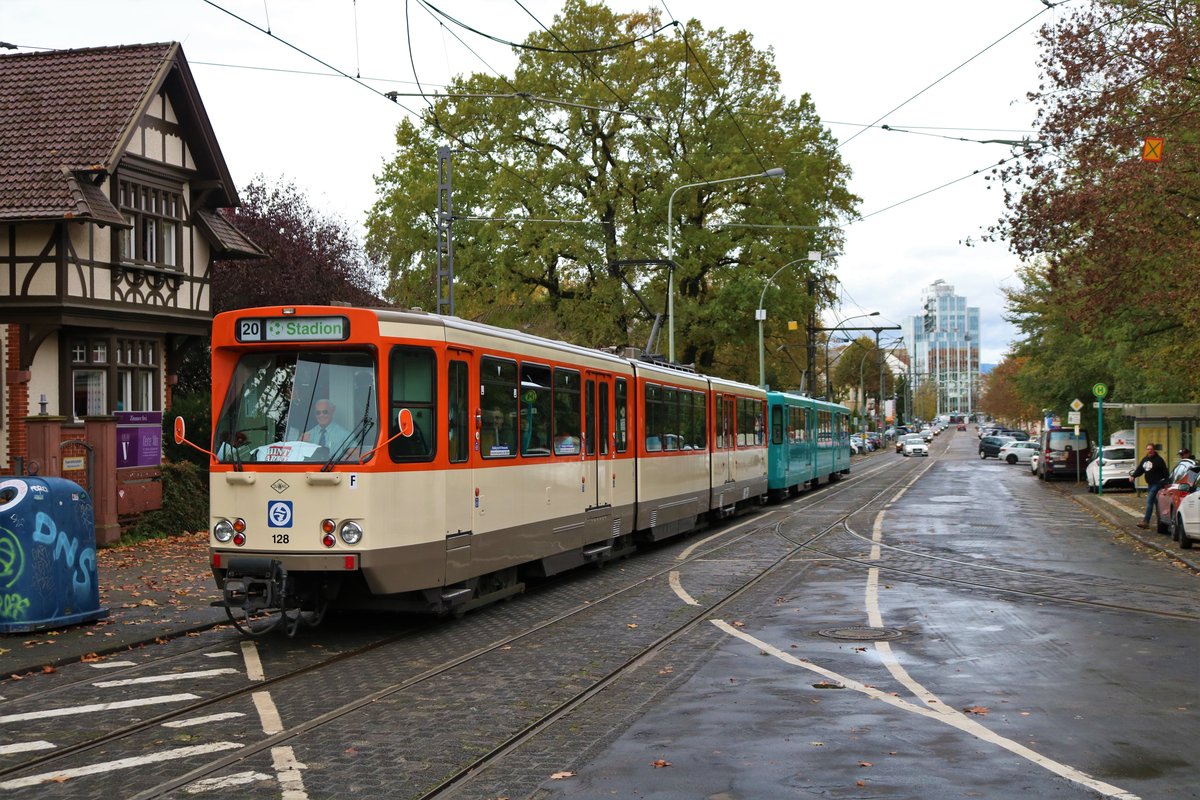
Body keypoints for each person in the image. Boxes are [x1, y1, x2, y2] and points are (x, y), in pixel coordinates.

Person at [1130, 443, 1169, 529]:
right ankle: (1161, 521)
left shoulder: (1159, 460)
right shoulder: (1145, 459)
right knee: (1156, 503)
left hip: (1157, 483)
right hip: (1150, 484)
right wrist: (1133, 476)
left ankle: (1146, 521)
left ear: (1154, 450)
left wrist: (1166, 482)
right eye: (1148, 449)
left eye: (1151, 449)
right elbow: (1140, 470)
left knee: (1149, 501)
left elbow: (1165, 472)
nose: (1149, 451)